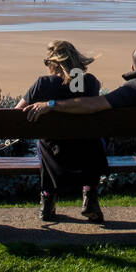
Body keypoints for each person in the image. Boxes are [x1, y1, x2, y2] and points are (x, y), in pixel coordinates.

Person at [26, 45, 136, 217]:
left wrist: (52, 104)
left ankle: (47, 200)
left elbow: (93, 105)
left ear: (133, 68)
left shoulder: (133, 89)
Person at [15, 40, 108, 222]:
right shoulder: (90, 83)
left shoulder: (42, 84)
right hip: (88, 154)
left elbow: (16, 117)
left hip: (54, 155)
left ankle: (47, 199)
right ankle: (90, 196)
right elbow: (82, 97)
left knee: (44, 143)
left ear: (53, 63)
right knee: (93, 141)